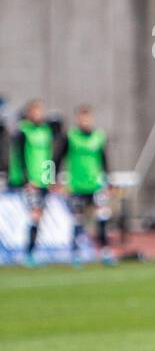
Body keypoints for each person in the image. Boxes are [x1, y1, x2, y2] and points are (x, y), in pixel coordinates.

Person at [59, 105, 114, 265]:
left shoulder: (99, 136)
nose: (85, 121)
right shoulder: (70, 136)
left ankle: (105, 252)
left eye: (87, 117)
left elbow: (105, 160)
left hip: (96, 185)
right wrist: (50, 179)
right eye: (82, 118)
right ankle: (75, 254)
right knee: (78, 220)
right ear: (77, 119)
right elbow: (56, 158)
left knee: (102, 217)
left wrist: (108, 181)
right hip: (76, 186)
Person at [8, 99, 58, 267]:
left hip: (43, 181)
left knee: (38, 216)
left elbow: (49, 156)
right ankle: (29, 253)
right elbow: (20, 157)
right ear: (29, 113)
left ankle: (31, 252)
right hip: (30, 182)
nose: (38, 115)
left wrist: (50, 178)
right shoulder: (23, 131)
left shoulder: (46, 131)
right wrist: (26, 179)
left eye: (40, 111)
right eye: (35, 112)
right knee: (34, 214)